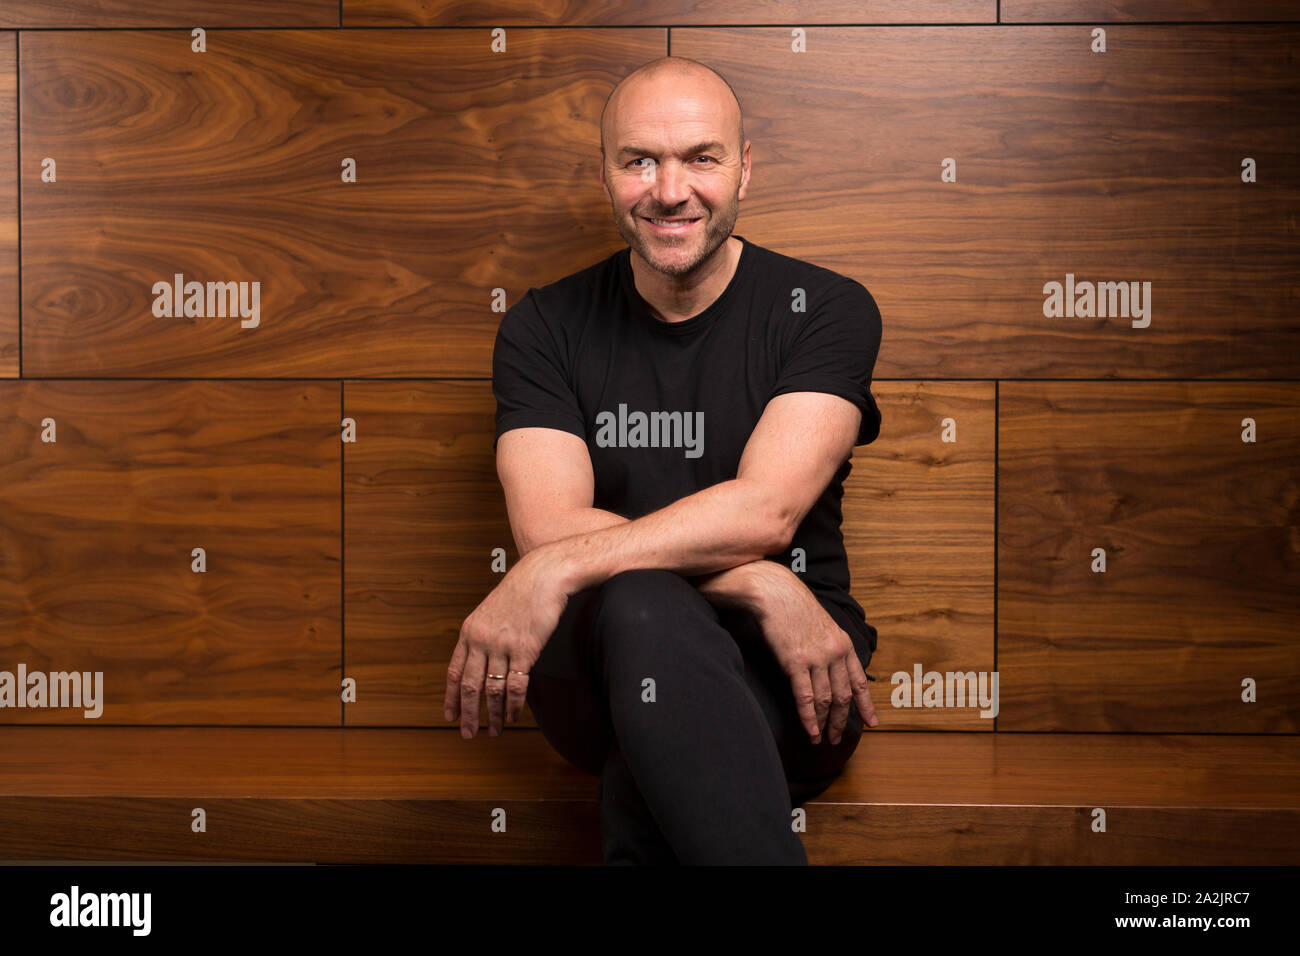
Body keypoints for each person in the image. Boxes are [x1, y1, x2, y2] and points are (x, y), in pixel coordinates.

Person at [443, 55, 884, 865]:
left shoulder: (825, 310)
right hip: (598, 678)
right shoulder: (545, 327)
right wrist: (760, 579)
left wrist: (558, 568)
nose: (669, 189)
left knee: (652, 754)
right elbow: (547, 525)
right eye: (639, 160)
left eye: (700, 158)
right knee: (643, 609)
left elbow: (765, 512)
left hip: (797, 676)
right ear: (605, 174)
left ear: (745, 169)